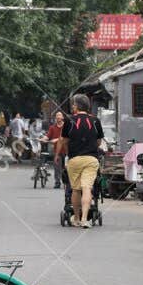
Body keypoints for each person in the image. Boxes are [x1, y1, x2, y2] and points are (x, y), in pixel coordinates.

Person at [62, 96, 105, 227]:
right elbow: (99, 141)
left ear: (76, 106)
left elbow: (64, 141)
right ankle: (85, 219)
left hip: (74, 159)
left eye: (73, 104)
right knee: (87, 188)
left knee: (75, 189)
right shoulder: (95, 121)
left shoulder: (69, 121)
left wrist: (68, 153)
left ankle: (76, 218)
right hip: (91, 159)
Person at [46, 110, 67, 186]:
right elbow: (48, 136)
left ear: (62, 117)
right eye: (57, 115)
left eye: (59, 115)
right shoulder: (52, 127)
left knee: (66, 167)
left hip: (66, 150)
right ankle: (57, 182)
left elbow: (67, 137)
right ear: (55, 118)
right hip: (57, 151)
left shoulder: (66, 126)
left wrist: (57, 139)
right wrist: (43, 138)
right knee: (57, 167)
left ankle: (67, 182)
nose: (58, 117)